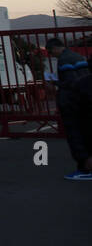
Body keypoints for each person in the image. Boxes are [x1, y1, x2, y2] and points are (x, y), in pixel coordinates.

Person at [47, 38, 92, 179]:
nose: (50, 54)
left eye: (50, 51)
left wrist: (54, 82)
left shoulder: (64, 60)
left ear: (55, 48)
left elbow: (70, 82)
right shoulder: (79, 57)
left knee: (76, 135)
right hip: (86, 100)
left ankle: (85, 168)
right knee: (87, 134)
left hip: (71, 102)